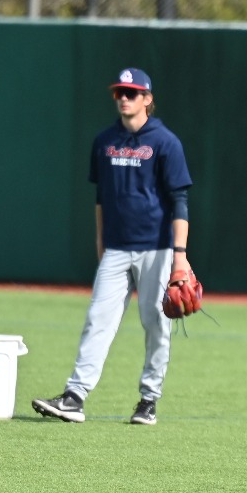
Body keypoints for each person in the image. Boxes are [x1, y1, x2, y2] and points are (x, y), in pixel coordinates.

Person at [32, 67, 193, 427]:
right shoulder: (104, 142)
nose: (124, 97)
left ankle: (148, 400)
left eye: (132, 92)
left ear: (147, 99)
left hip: (157, 248)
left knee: (156, 324)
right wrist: (101, 243)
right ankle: (75, 397)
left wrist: (179, 259)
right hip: (117, 249)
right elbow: (101, 199)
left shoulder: (166, 142)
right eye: (120, 91)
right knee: (97, 321)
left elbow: (179, 200)